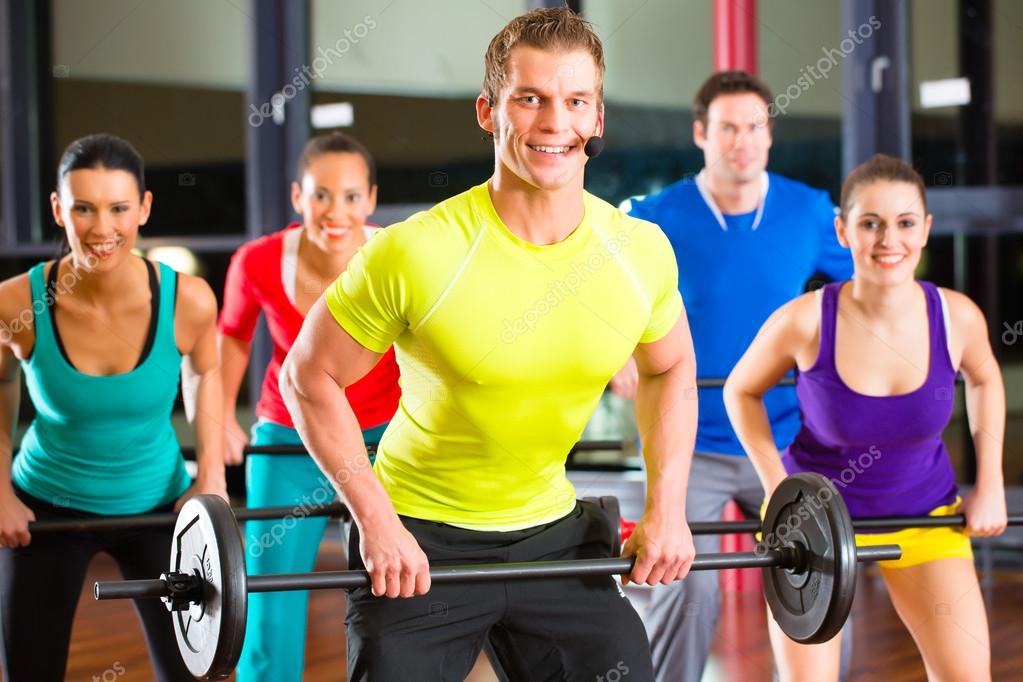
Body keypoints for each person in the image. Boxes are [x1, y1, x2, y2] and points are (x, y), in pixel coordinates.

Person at [279, 7, 698, 680]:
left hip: (555, 537)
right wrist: (377, 524)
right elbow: (307, 377)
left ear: (597, 118)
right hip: (419, 540)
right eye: (529, 99)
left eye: (575, 101)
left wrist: (667, 508)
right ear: (487, 111)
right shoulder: (418, 251)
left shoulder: (639, 251)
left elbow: (670, 366)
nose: (554, 122)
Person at [724, 153, 1007, 682]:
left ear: (925, 230)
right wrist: (776, 485)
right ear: (843, 231)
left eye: (905, 223)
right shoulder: (806, 320)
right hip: (814, 529)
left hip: (927, 516)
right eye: (870, 224)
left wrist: (989, 484)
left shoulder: (957, 316)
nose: (888, 240)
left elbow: (986, 380)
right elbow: (740, 390)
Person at [613, 70, 854, 681]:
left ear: (769, 134)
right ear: (701, 133)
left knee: (824, 578)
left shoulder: (809, 211)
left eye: (754, 127)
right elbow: (601, 294)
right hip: (686, 437)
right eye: (727, 128)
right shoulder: (654, 216)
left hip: (783, 438)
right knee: (684, 586)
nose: (742, 141)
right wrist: (619, 354)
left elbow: (865, 292)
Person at [0, 133, 226, 682]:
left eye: (119, 208)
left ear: (144, 207)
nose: (103, 229)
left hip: (159, 507)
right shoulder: (15, 303)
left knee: (193, 673)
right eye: (83, 208)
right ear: (59, 209)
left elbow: (205, 374)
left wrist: (211, 476)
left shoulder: (189, 299)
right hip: (46, 508)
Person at [217, 132, 401, 681]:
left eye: (351, 196)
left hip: (385, 441)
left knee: (396, 595)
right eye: (321, 195)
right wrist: (222, 417)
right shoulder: (257, 260)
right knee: (268, 601)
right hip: (288, 439)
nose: (335, 211)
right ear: (298, 196)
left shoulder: (398, 255)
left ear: (371, 199)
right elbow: (232, 338)